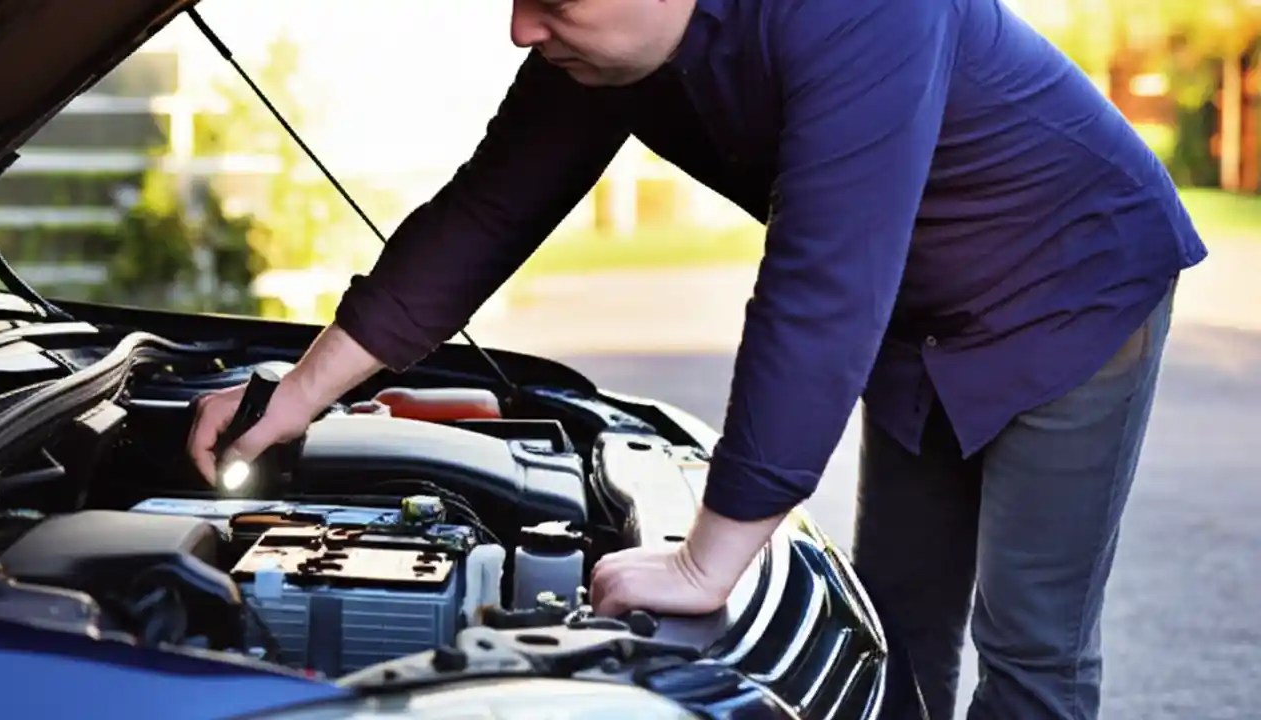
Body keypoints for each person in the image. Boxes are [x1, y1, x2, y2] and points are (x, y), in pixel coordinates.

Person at [188, 1, 1206, 718]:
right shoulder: (608, 51)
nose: (519, 27)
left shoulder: (854, 13)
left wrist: (704, 557)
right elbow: (481, 214)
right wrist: (295, 398)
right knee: (896, 619)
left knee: (1029, 647)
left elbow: (817, 290)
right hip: (913, 309)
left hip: (1072, 284)